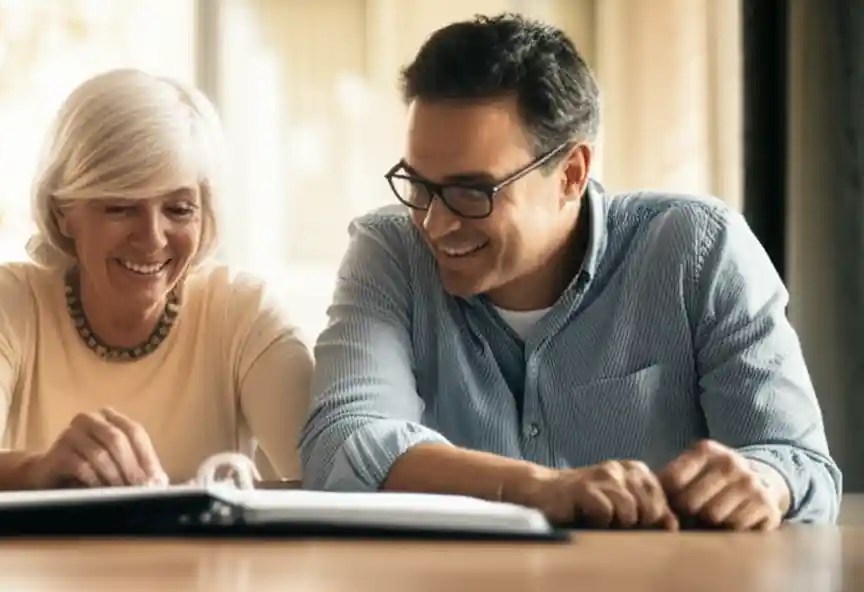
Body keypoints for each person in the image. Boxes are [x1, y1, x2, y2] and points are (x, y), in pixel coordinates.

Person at [300, 14, 840, 529]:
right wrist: (535, 488)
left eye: (470, 192)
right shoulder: (389, 252)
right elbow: (344, 441)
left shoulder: (699, 251)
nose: (435, 223)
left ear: (572, 173)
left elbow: (799, 462)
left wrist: (764, 483)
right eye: (419, 185)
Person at [0, 69, 312, 490]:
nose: (153, 238)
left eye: (178, 209)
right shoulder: (7, 302)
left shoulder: (241, 310)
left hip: (207, 561)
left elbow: (332, 475)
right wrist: (40, 470)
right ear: (64, 212)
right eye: (120, 207)